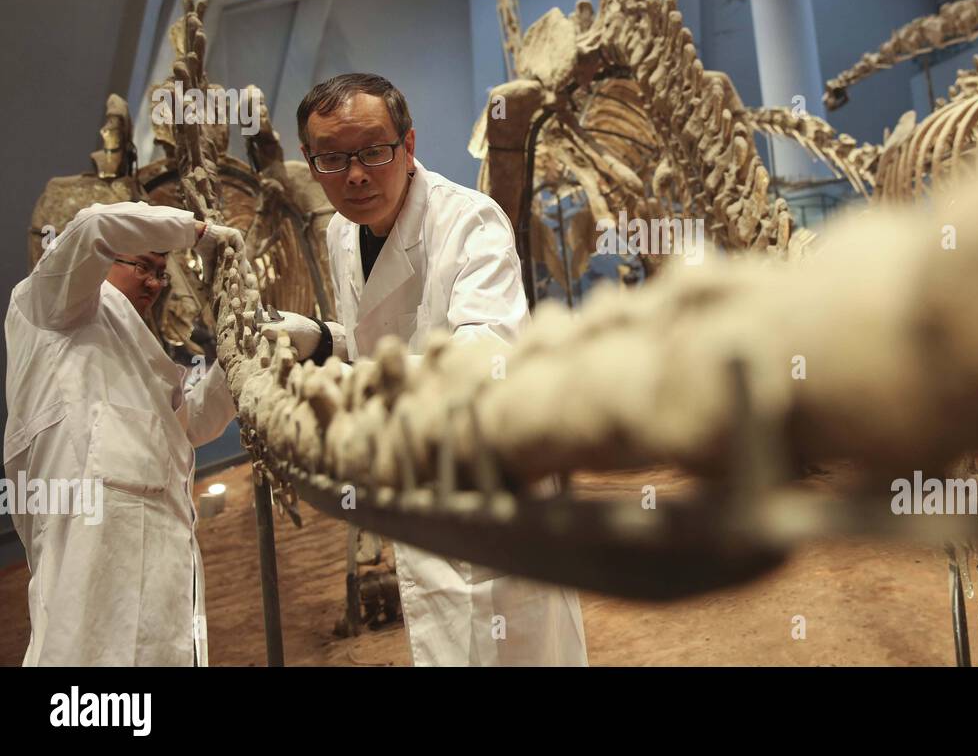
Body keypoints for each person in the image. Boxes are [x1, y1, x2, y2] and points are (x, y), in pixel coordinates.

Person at [268, 72, 587, 666]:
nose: (355, 174)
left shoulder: (470, 222)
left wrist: (350, 386)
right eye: (332, 158)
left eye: (372, 151)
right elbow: (385, 340)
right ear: (310, 163)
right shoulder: (342, 234)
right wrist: (323, 340)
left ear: (408, 145)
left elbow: (484, 355)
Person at [3, 201, 241, 665]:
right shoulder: (46, 302)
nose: (154, 283)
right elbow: (96, 224)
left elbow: (187, 428)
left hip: (159, 549)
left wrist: (243, 360)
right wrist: (195, 232)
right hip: (95, 532)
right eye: (143, 266)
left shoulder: (129, 346)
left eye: (162, 274)